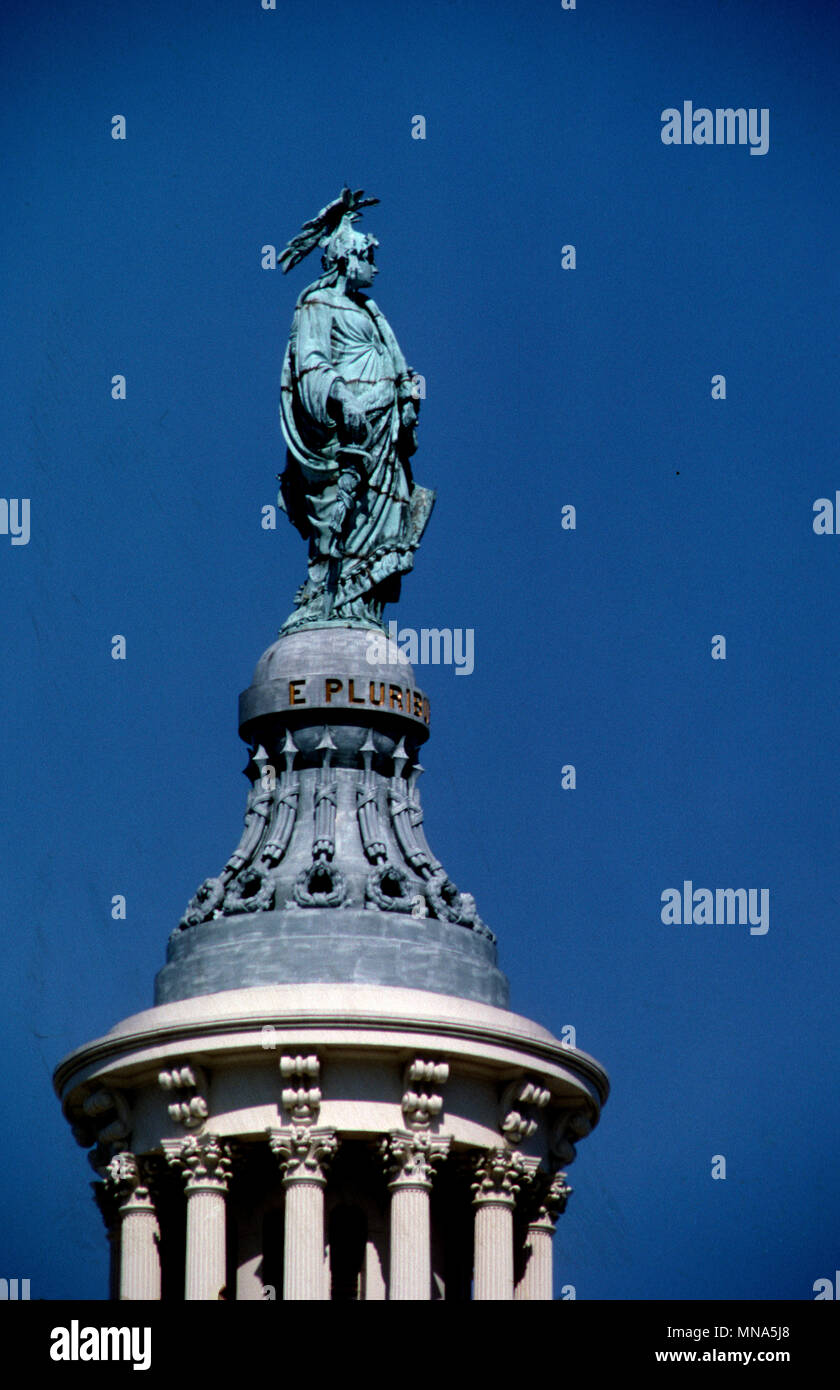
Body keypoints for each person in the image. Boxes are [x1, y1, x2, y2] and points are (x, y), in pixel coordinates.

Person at [278, 189, 433, 629]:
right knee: (340, 517)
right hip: (349, 433)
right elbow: (310, 361)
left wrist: (407, 395)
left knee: (385, 521)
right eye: (369, 257)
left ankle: (361, 607)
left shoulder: (371, 311)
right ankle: (327, 600)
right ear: (348, 259)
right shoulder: (317, 303)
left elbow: (394, 364)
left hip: (383, 433)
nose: (375, 267)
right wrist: (342, 397)